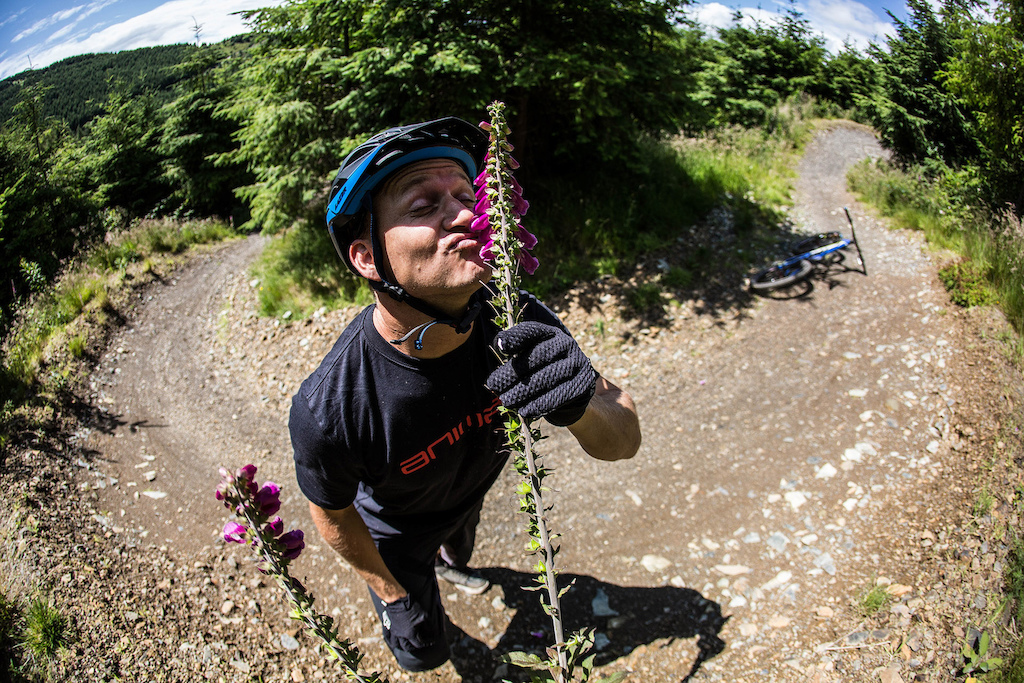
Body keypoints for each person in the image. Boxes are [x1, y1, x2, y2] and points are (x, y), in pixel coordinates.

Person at [289, 117, 640, 672]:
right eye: (423, 206)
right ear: (366, 257)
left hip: (468, 496)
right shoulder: (331, 405)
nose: (466, 216)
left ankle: (453, 558)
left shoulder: (517, 320)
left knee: (460, 550)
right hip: (396, 538)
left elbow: (623, 439)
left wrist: (580, 405)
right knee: (424, 653)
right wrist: (389, 592)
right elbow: (330, 516)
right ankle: (418, 596)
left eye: (464, 195)